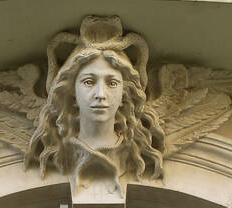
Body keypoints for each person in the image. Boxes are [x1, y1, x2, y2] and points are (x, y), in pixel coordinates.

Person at [26, 19, 164, 197]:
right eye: (89, 82)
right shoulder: (58, 150)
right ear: (72, 91)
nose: (100, 94)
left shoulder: (134, 150)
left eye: (112, 83)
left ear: (125, 93)